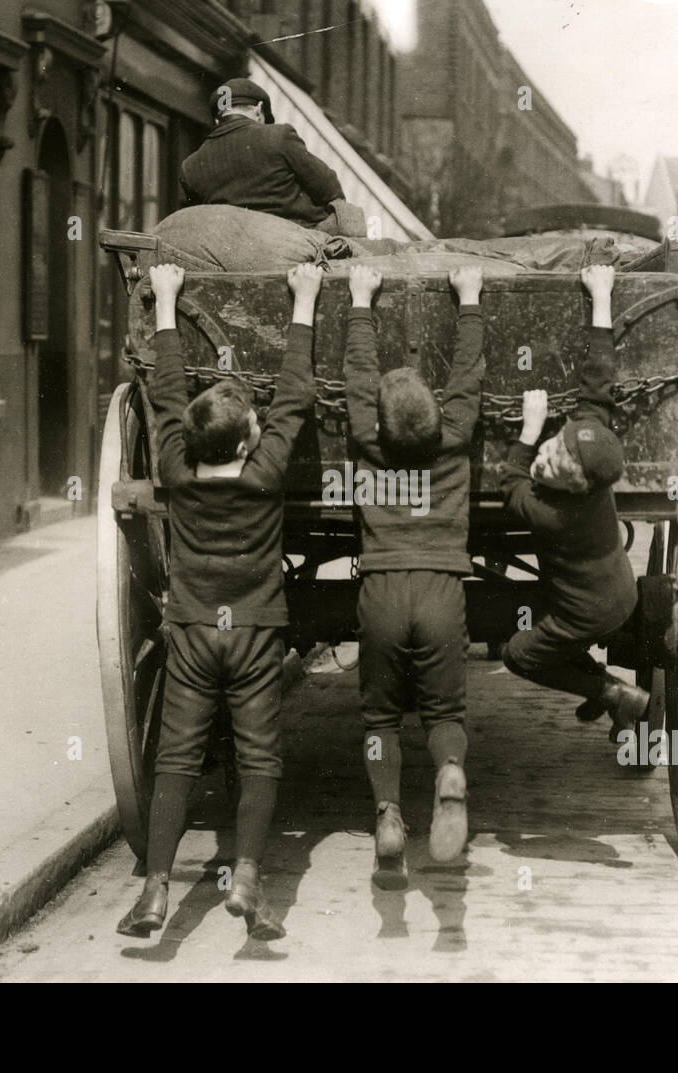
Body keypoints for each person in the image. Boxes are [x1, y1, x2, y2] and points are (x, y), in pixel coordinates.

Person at [115, 261, 322, 942]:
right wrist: (305, 301)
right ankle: (250, 878)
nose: (266, 424)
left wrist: (167, 304)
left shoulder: (176, 470)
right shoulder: (265, 477)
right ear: (246, 442)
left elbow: (169, 399)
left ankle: (154, 890)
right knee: (261, 758)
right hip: (257, 636)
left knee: (176, 756)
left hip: (194, 633)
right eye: (256, 424)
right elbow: (295, 395)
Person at [342, 264, 484, 887]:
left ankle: (389, 813)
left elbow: (355, 380)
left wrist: (360, 303)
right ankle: (449, 768)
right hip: (441, 589)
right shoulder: (453, 439)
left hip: (380, 591)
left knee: (379, 719)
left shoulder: (369, 444)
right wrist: (471, 299)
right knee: (444, 710)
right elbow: (467, 379)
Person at [497, 266, 650, 742]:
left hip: (588, 610)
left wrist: (528, 430)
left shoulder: (552, 513)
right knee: (556, 638)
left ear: (580, 484)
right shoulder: (591, 454)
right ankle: (603, 688)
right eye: (555, 443)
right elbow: (597, 380)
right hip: (615, 593)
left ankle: (611, 693)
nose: (546, 455)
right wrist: (601, 294)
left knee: (519, 653)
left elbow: (511, 488)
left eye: (558, 463)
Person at [179, 78, 359, 235]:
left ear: (217, 120)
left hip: (229, 250)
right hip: (295, 242)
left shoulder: (190, 166)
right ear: (258, 110)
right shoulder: (279, 135)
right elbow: (330, 189)